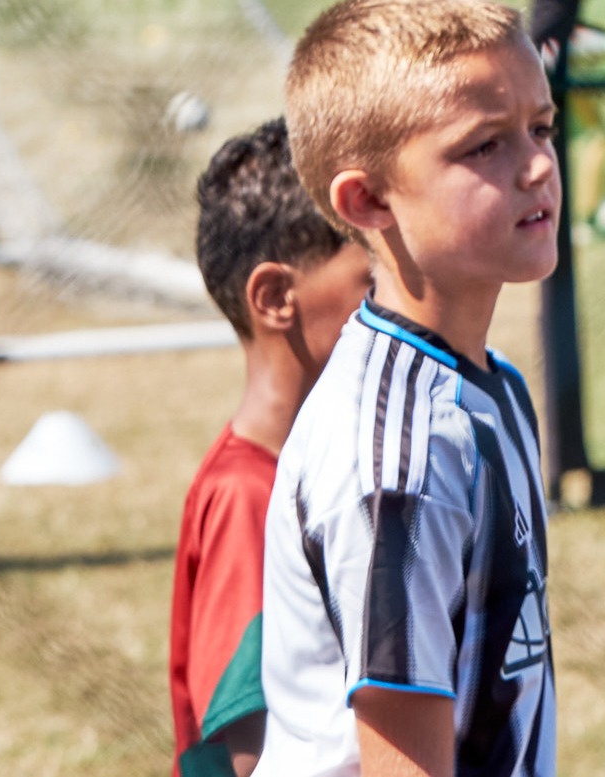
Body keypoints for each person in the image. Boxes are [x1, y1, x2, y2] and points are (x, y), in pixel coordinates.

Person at [259, 0, 560, 777]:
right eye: (484, 146)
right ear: (368, 198)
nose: (537, 165)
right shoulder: (400, 456)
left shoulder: (492, 387)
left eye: (541, 127)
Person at [172, 119, 375, 777]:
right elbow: (254, 749)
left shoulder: (325, 468)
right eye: (372, 285)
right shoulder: (247, 495)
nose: (396, 310)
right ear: (276, 298)